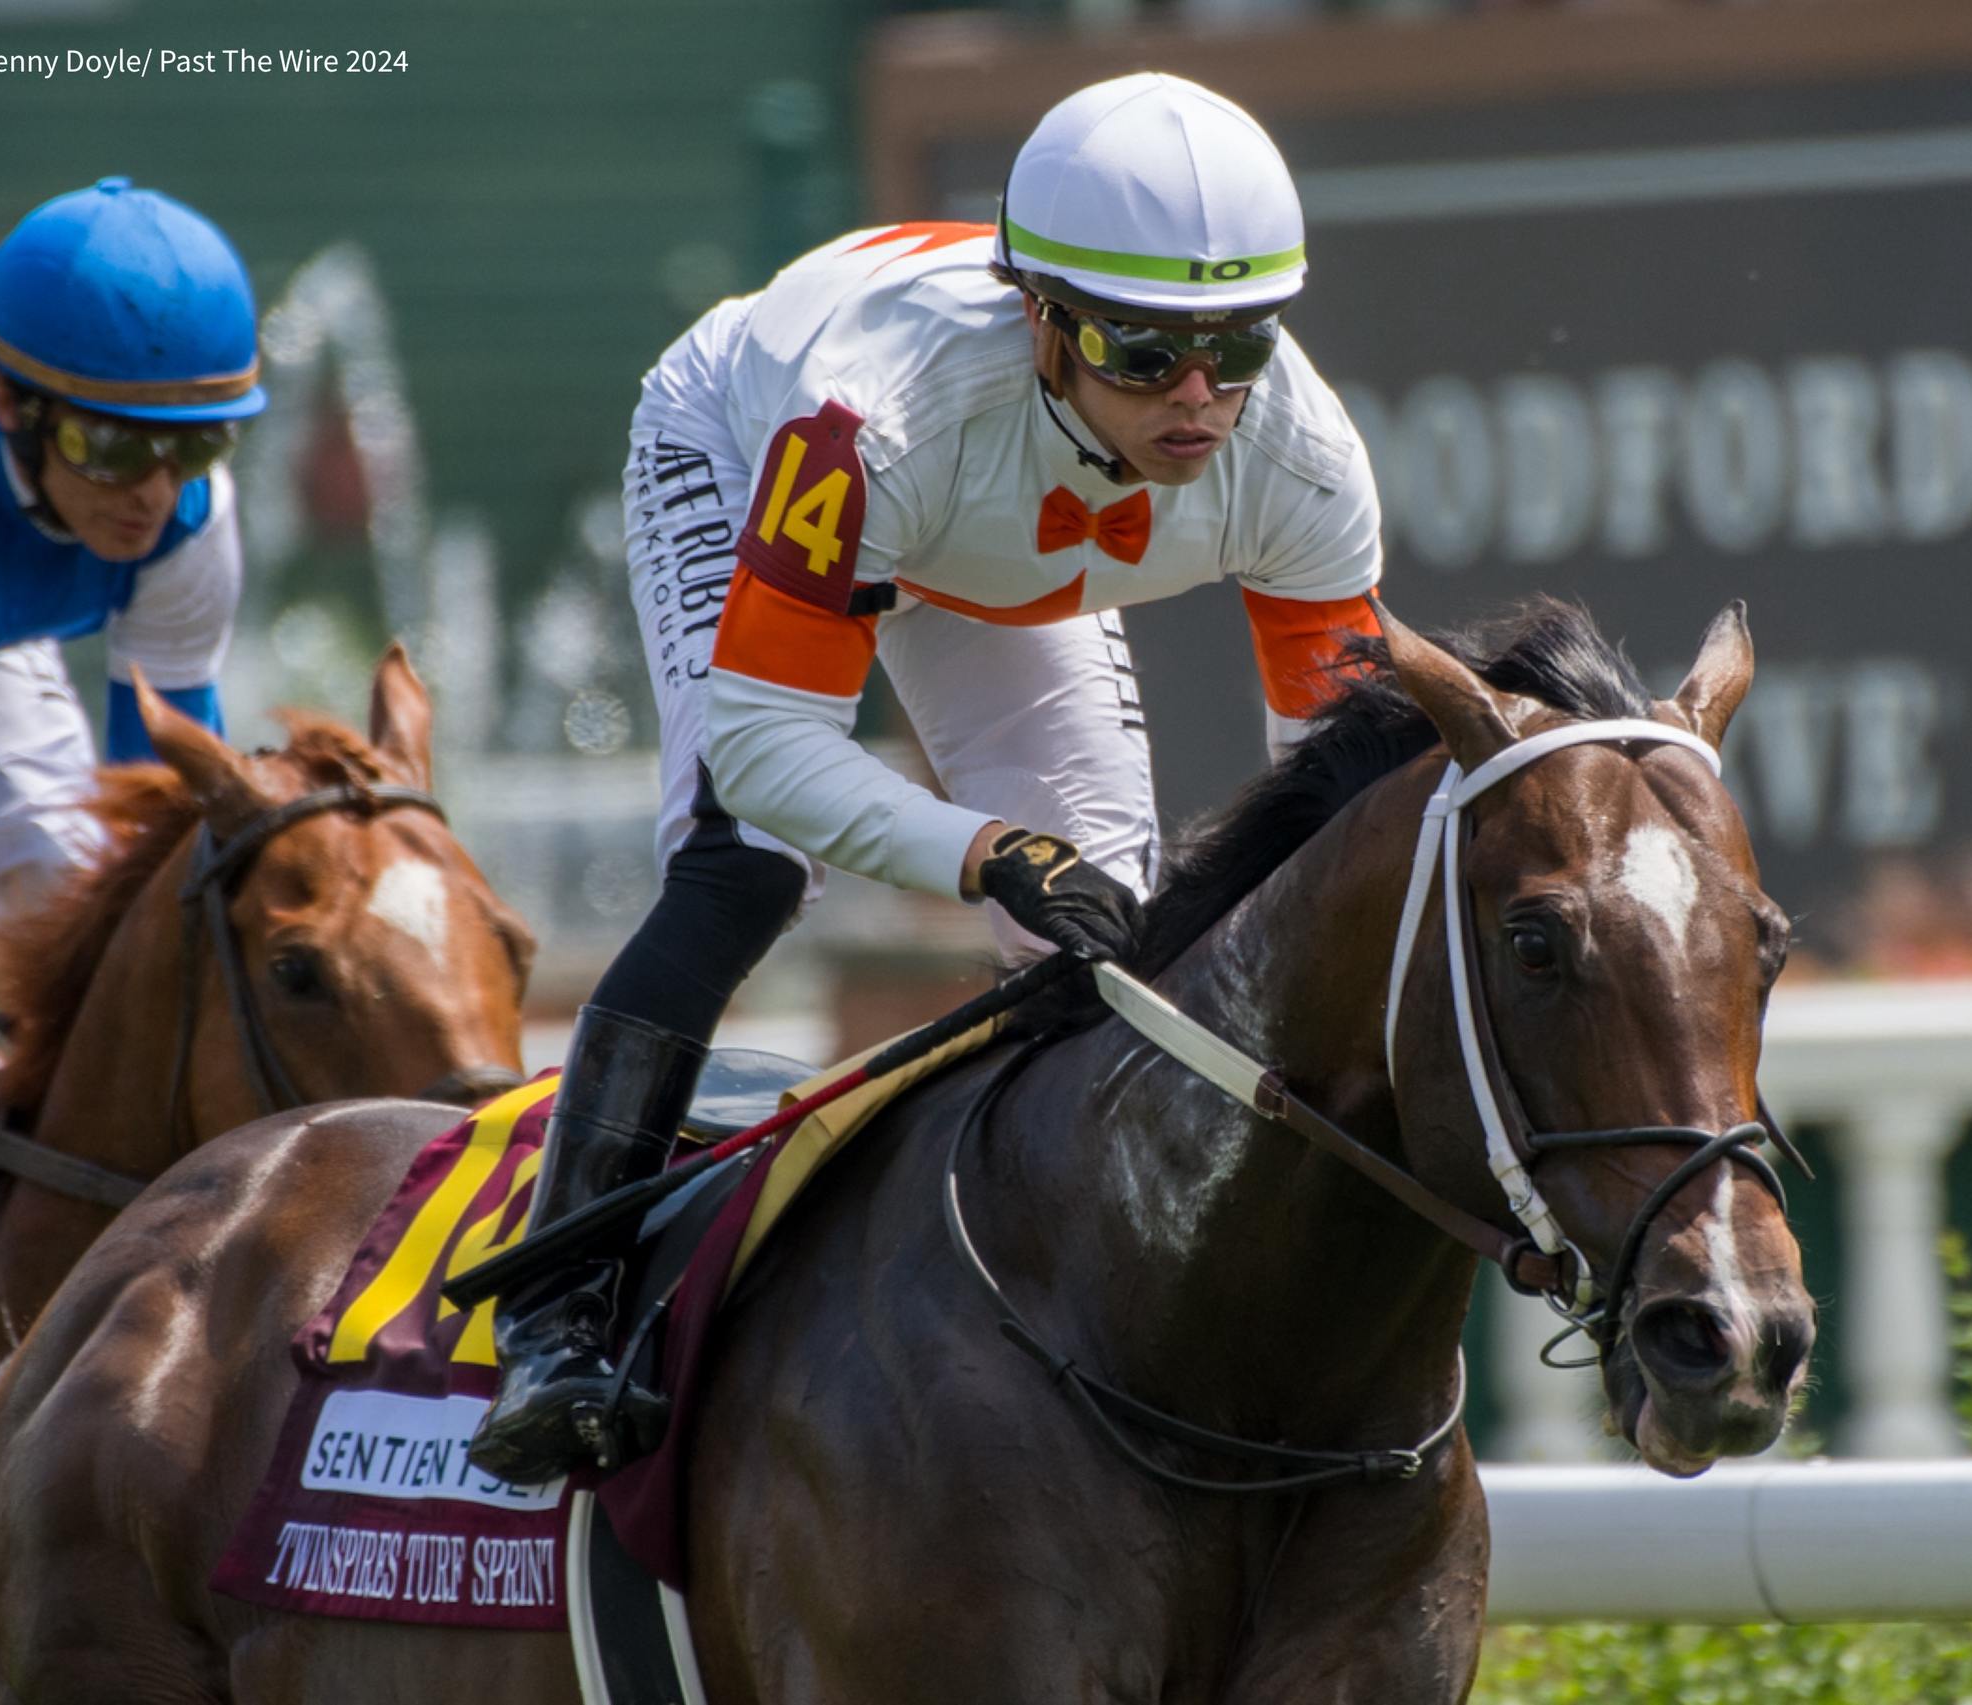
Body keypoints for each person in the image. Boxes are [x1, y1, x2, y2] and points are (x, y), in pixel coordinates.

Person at [470, 72, 1389, 1481]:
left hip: (988, 522)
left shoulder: (1305, 457)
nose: (1199, 400)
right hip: (753, 444)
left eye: (1239, 345)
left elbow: (1334, 809)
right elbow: (764, 752)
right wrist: (987, 852)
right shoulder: (866, 422)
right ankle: (554, 1310)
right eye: (1145, 349)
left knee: (1110, 939)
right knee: (744, 866)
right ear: (1043, 315)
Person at [0, 178, 262, 1092]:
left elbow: (159, 821)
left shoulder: (193, 524)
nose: (153, 493)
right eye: (112, 448)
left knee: (57, 898)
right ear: (9, 402)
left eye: (195, 445)